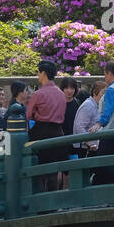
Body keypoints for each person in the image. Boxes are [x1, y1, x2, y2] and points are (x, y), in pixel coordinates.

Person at [26, 60, 68, 192]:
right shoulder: (61, 93)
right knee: (54, 169)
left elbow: (28, 114)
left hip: (40, 131)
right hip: (58, 131)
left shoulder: (38, 94)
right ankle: (53, 199)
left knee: (38, 169)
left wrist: (38, 115)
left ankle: (40, 200)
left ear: (43, 73)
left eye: (38, 72)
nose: (38, 75)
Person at [73, 80, 105, 154]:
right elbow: (79, 126)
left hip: (96, 146)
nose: (105, 95)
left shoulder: (100, 105)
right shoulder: (88, 105)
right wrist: (89, 143)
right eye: (103, 92)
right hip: (86, 148)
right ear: (94, 93)